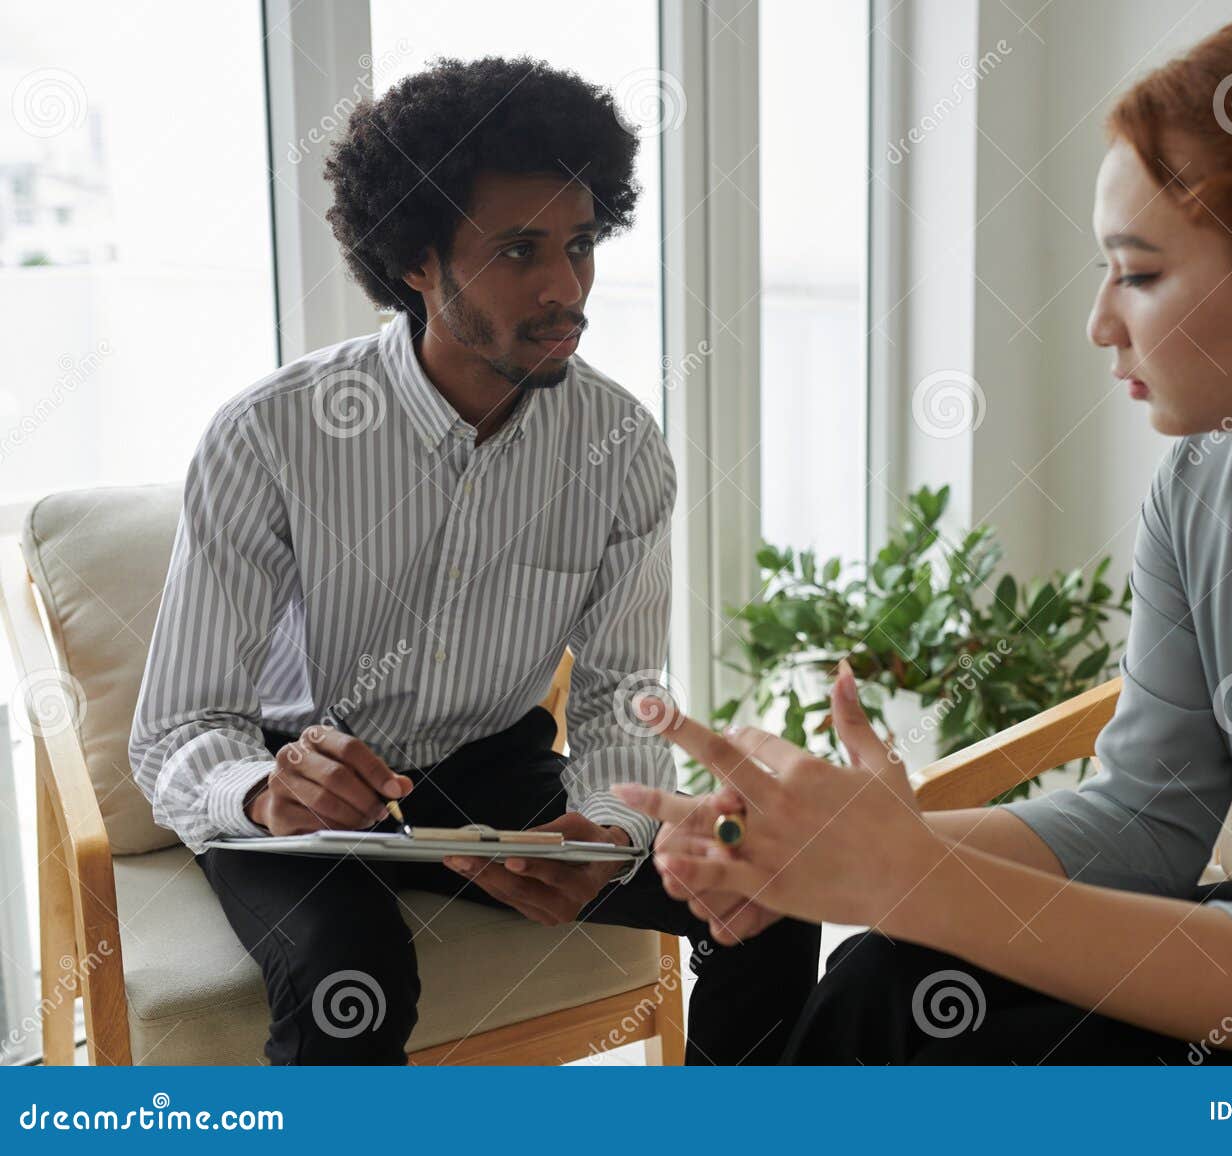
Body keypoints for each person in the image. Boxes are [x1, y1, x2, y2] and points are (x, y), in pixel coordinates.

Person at [614, 14, 1232, 1064]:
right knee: (893, 983)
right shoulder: (1208, 482)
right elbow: (1150, 821)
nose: (1098, 322)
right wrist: (827, 848)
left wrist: (904, 875)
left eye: (1137, 273)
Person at [129, 56, 818, 1065]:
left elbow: (621, 691)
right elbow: (179, 726)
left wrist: (605, 830)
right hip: (309, 778)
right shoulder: (270, 435)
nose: (565, 288)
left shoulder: (618, 445)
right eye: (518, 251)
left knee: (765, 886)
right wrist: (263, 791)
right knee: (347, 980)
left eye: (579, 244)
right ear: (417, 259)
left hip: (495, 772)